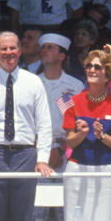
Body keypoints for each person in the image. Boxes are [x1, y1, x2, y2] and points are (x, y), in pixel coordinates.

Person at [0, 31, 55, 221]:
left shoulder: (33, 82)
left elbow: (44, 123)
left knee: (22, 217)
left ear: (20, 50)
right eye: (4, 48)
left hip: (25, 154)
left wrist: (42, 158)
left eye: (13, 48)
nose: (9, 52)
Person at [63, 49, 111, 221]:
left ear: (108, 75)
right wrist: (81, 134)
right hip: (77, 170)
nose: (91, 70)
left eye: (97, 67)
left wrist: (102, 136)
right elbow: (69, 142)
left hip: (108, 171)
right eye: (88, 66)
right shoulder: (72, 101)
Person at [38, 33, 85, 171]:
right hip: (39, 150)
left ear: (62, 56)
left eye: (50, 47)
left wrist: (60, 150)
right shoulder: (32, 83)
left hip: (68, 148)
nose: (44, 51)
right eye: (43, 48)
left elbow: (81, 121)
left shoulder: (76, 86)